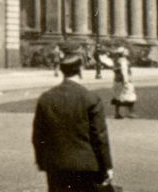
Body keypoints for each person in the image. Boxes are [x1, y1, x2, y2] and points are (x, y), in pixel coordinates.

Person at [32, 54, 114, 192]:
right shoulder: (90, 98)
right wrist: (106, 166)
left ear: (62, 71)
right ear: (80, 71)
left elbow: (38, 136)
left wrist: (42, 161)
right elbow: (99, 137)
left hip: (56, 165)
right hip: (86, 165)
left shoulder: (46, 98)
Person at [111, 47, 137, 119]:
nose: (127, 51)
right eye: (126, 51)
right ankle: (131, 113)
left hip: (117, 81)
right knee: (130, 96)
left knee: (118, 97)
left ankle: (117, 113)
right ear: (123, 53)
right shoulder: (124, 61)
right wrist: (126, 82)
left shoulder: (117, 60)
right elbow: (124, 72)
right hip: (124, 81)